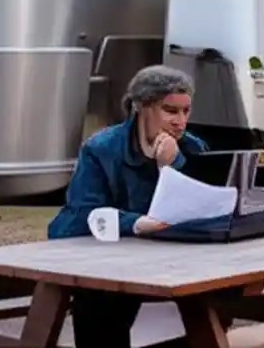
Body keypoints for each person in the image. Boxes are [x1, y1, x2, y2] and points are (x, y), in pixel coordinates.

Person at [46, 64, 209, 347]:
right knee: (99, 299)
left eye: (186, 111)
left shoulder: (193, 148)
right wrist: (135, 223)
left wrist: (170, 167)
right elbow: (82, 214)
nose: (180, 121)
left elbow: (202, 204)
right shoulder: (101, 148)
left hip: (170, 258)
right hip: (109, 260)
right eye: (170, 111)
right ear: (141, 107)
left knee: (220, 295)